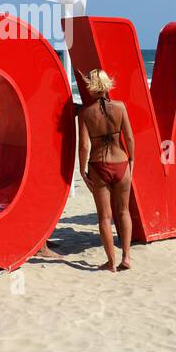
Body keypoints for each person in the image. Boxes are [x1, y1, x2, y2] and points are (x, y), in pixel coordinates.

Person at [77, 69, 135, 272]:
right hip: (121, 163)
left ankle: (111, 262)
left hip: (98, 165)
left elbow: (84, 145)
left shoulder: (85, 113)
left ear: (92, 87)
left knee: (104, 217)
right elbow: (129, 138)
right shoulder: (119, 107)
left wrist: (82, 170)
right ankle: (126, 256)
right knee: (124, 211)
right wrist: (131, 160)